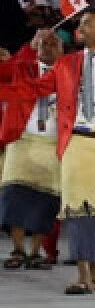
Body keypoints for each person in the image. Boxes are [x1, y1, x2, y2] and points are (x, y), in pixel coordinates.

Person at [0, 9, 95, 295]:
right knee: (78, 209)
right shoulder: (66, 63)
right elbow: (34, 88)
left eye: (87, 23)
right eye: (80, 23)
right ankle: (83, 274)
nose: (79, 27)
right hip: (77, 143)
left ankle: (94, 269)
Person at [0, 30, 63, 271]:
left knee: (46, 201)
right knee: (14, 196)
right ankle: (17, 249)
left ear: (62, 51)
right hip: (22, 139)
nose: (48, 47)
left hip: (52, 143)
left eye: (53, 43)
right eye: (43, 43)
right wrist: (28, 48)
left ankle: (36, 252)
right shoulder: (21, 68)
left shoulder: (68, 74)